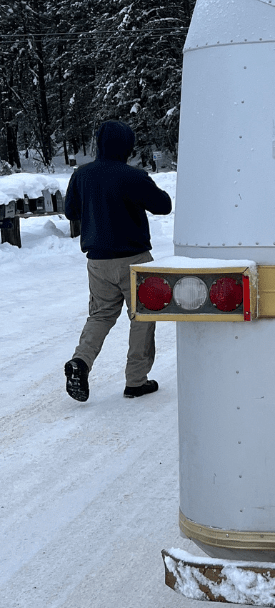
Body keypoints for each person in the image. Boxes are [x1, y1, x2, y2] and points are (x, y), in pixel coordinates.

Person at [63, 120, 173, 402]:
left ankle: (81, 362)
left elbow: (70, 212)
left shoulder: (82, 175)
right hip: (135, 260)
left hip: (97, 261)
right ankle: (136, 381)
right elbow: (163, 206)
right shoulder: (133, 176)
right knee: (142, 316)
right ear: (127, 145)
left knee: (100, 315)